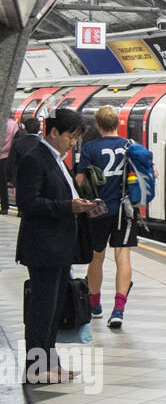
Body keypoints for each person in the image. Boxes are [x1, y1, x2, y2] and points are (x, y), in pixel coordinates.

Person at [15, 108, 97, 383]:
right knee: (42, 311)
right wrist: (68, 207)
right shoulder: (35, 159)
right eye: (70, 137)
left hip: (59, 247)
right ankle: (36, 369)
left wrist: (82, 206)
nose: (73, 143)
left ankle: (51, 363)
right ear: (53, 132)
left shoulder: (56, 158)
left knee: (53, 310)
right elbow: (28, 203)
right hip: (43, 248)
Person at [75, 106, 137, 328]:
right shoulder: (130, 146)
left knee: (97, 256)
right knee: (123, 256)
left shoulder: (90, 148)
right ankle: (119, 310)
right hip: (125, 211)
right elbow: (152, 172)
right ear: (118, 123)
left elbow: (81, 180)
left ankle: (95, 306)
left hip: (97, 210)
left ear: (99, 125)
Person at [9, 117, 42, 207]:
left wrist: (10, 177)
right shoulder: (42, 143)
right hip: (37, 176)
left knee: (21, 198)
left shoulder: (17, 143)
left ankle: (20, 210)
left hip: (20, 176)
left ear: (25, 128)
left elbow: (11, 161)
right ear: (39, 129)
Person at [1, 113, 18, 214]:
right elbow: (15, 139)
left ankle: (4, 207)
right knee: (6, 183)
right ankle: (5, 207)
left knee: (2, 184)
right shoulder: (13, 124)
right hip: (7, 157)